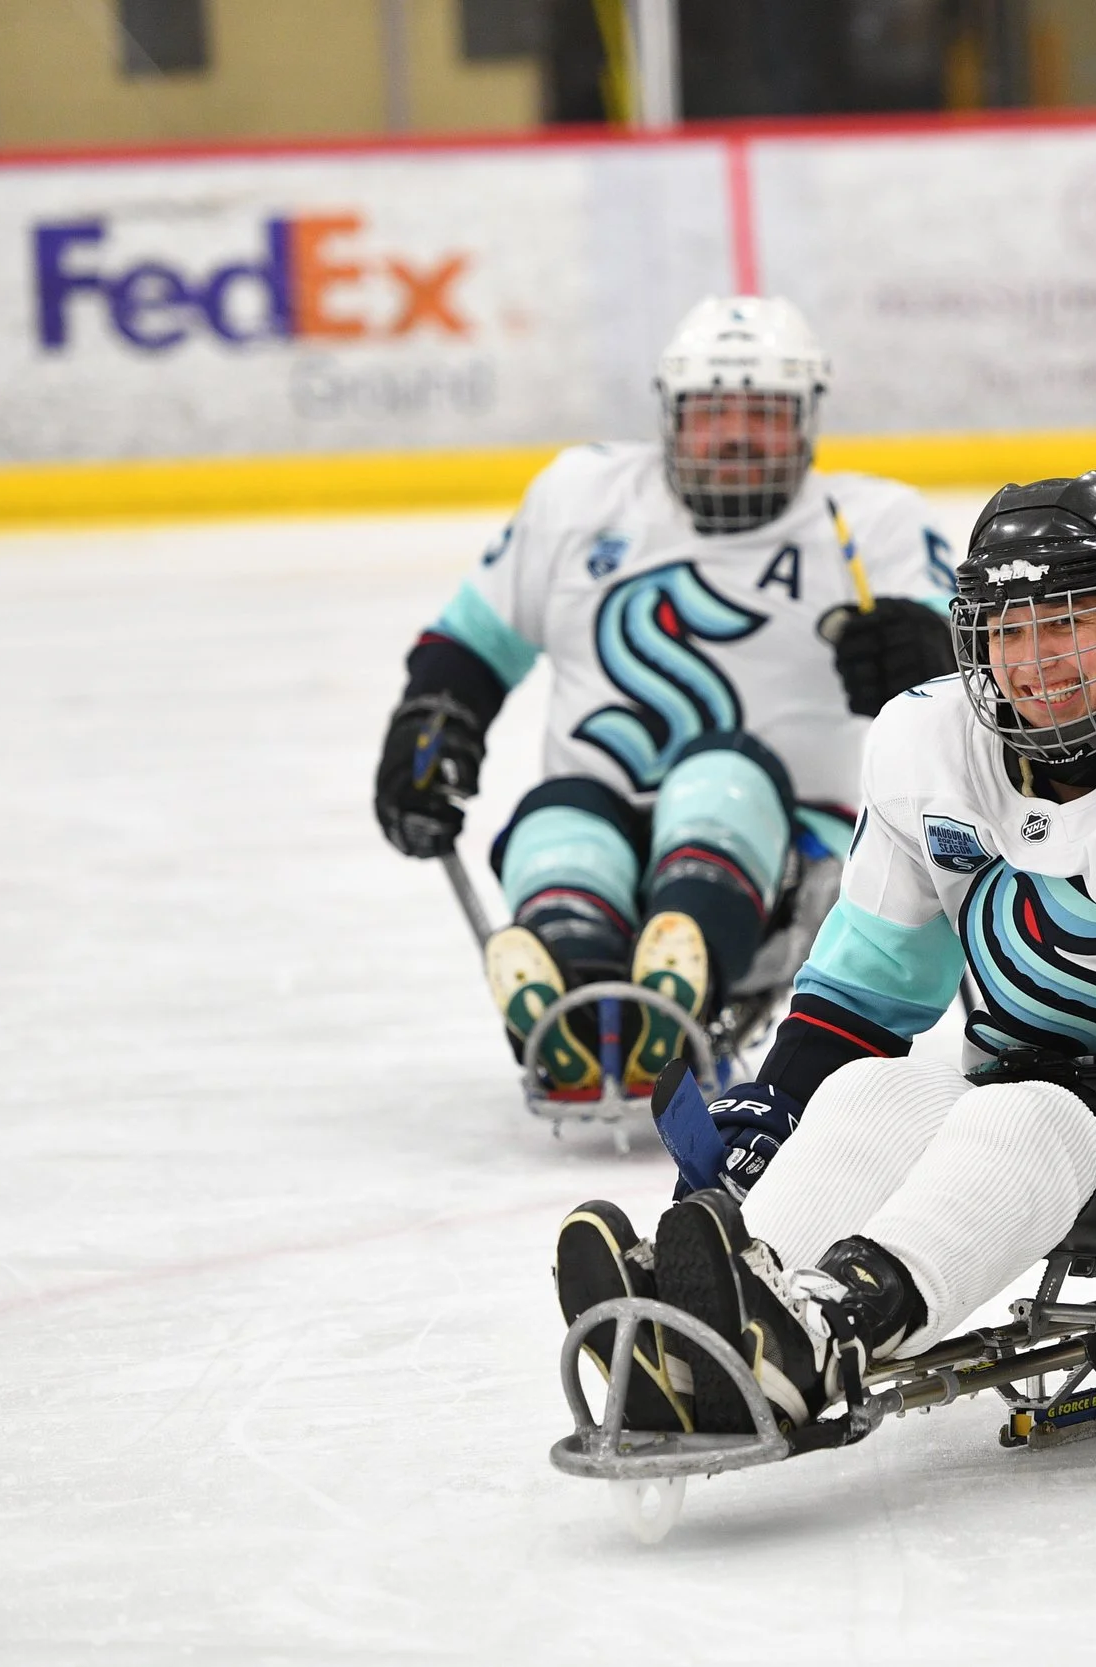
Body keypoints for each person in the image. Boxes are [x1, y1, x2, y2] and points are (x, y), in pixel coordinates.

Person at [554, 471, 1096, 1453]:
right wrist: (775, 1106)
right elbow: (867, 989)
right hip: (1010, 1080)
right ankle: (714, 1312)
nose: (1033, 661)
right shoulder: (921, 738)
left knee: (1021, 1109)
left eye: (1068, 622)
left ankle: (828, 1331)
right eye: (1007, 630)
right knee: (878, 1091)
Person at [373, 296, 960, 1096]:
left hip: (789, 853)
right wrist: (433, 720)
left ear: (809, 420)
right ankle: (576, 990)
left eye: (766, 413)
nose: (737, 437)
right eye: (711, 411)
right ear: (670, 413)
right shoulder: (581, 495)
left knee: (721, 775)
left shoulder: (874, 523)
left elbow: (978, 687)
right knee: (558, 817)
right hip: (606, 809)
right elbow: (472, 644)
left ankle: (670, 974)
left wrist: (925, 658)